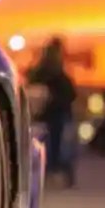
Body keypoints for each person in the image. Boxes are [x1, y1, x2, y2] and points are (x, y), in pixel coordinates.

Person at [28, 37, 78, 187]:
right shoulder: (59, 74)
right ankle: (57, 174)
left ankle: (47, 174)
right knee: (59, 146)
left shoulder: (39, 72)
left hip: (44, 115)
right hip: (57, 114)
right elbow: (70, 95)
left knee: (47, 146)